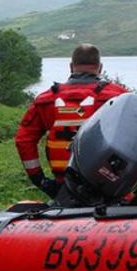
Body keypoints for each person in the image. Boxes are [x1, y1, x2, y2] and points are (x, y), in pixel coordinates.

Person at [15, 43, 128, 198]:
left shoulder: (45, 100)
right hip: (111, 187)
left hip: (64, 189)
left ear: (71, 67)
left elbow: (23, 140)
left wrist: (39, 180)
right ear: (100, 67)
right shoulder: (120, 97)